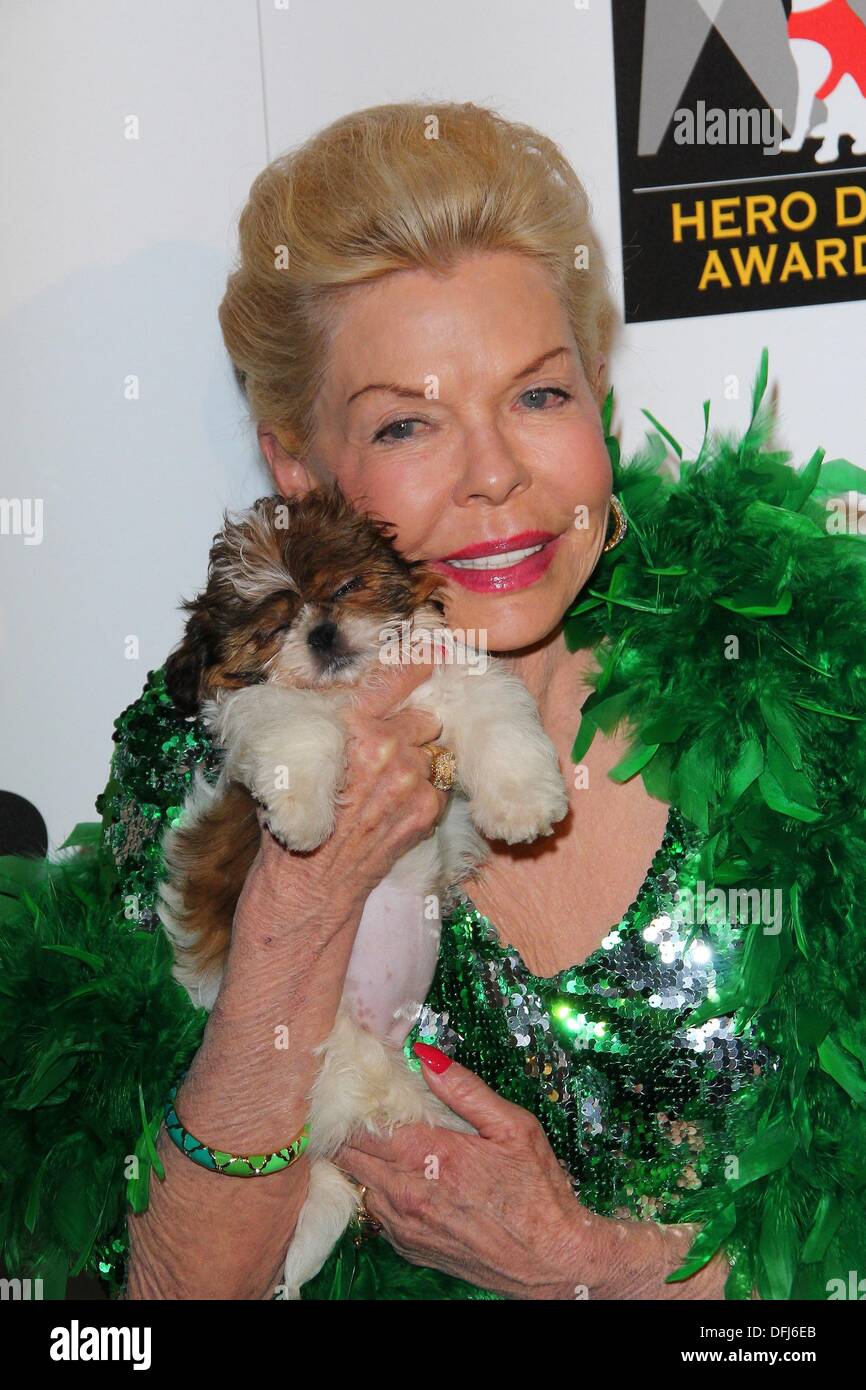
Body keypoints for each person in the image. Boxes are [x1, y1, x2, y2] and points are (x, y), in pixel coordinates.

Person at [2, 100, 865, 1302]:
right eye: (408, 422)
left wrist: (595, 1268)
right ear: (298, 469)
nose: (496, 472)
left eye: (539, 395)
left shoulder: (820, 685)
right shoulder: (205, 750)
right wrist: (296, 908)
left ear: (596, 393)